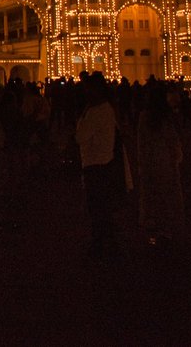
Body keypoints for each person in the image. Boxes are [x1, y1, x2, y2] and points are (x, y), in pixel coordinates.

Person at [76, 71, 120, 257]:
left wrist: (81, 118)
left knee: (96, 207)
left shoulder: (94, 111)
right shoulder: (109, 108)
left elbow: (80, 137)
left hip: (93, 164)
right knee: (105, 207)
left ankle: (100, 244)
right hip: (107, 161)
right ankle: (110, 241)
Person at [136, 81, 184, 246]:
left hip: (150, 159)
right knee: (166, 195)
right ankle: (167, 228)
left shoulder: (144, 116)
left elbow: (141, 142)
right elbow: (174, 140)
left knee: (152, 196)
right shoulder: (167, 116)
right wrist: (176, 158)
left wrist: (141, 162)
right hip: (165, 159)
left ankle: (154, 229)